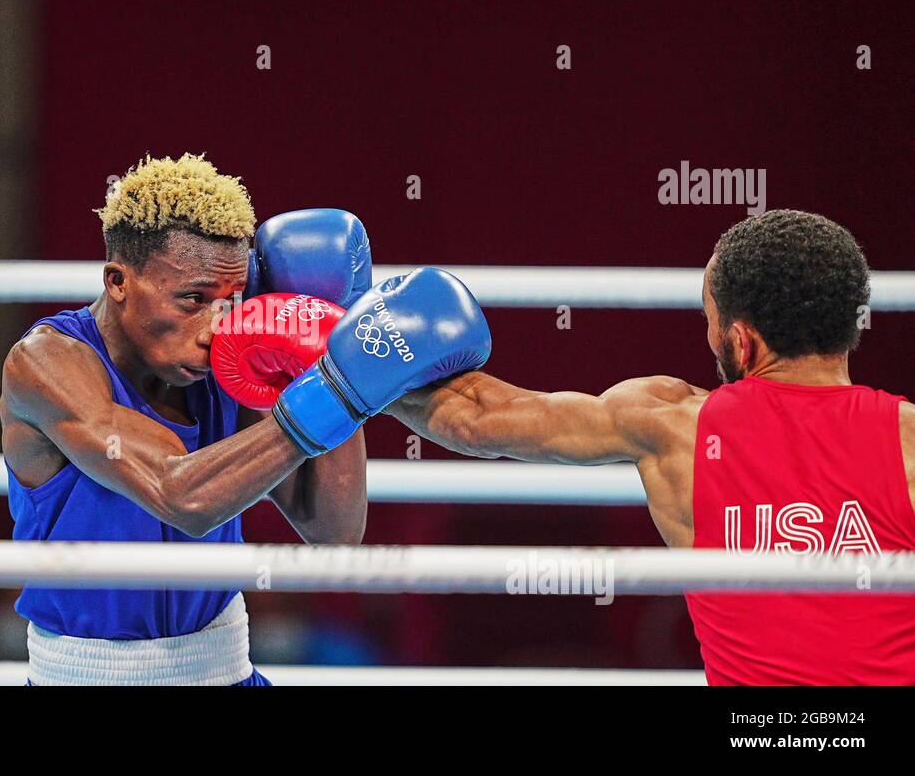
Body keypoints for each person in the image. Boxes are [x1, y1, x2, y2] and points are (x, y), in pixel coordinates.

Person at [0, 153, 490, 685]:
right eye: (192, 299)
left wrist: (326, 348)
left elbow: (333, 530)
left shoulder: (227, 360)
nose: (215, 328)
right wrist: (335, 391)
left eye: (231, 301)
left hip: (226, 672)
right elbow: (179, 495)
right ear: (118, 281)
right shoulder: (46, 364)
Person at [388, 209, 915, 684]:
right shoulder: (909, 438)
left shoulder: (672, 424)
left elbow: (476, 419)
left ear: (739, 340)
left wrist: (344, 363)